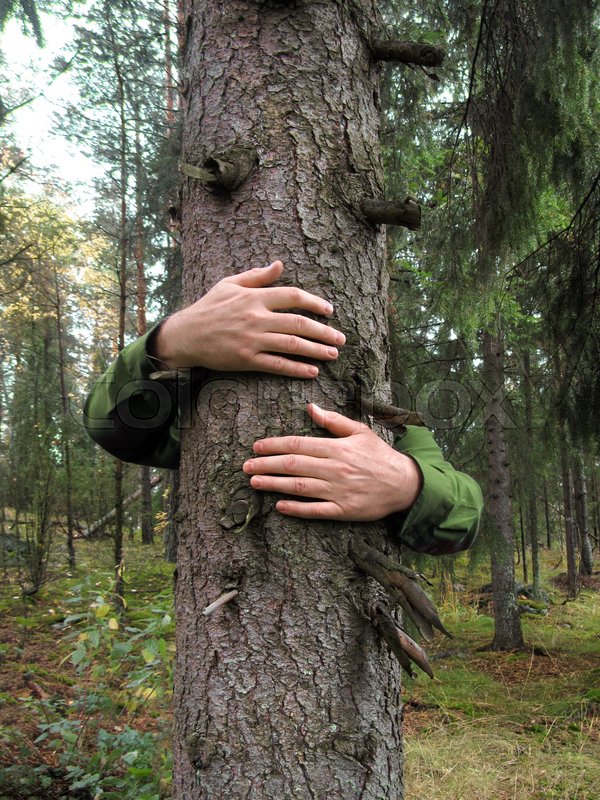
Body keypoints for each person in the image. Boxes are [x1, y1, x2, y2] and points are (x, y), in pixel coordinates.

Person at [84, 260, 482, 555]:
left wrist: (406, 483)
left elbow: (465, 518)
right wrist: (168, 343)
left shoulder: (394, 422)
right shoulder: (201, 395)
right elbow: (108, 427)